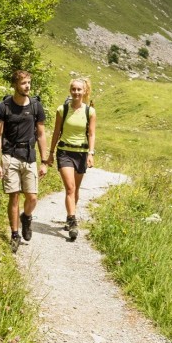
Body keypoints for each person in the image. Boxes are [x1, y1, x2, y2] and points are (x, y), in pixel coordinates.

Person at [0, 70, 48, 252]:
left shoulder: (35, 106)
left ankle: (27, 217)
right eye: (24, 83)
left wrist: (44, 161)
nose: (28, 86)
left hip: (29, 155)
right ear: (15, 84)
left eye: (29, 82)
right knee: (14, 195)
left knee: (32, 198)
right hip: (10, 155)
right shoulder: (4, 107)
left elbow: (41, 134)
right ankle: (14, 234)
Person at [47, 76, 96, 241]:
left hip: (81, 153)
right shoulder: (62, 110)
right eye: (73, 89)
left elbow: (91, 133)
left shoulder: (90, 111)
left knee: (76, 189)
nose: (76, 92)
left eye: (79, 89)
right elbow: (56, 132)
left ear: (84, 91)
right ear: (70, 90)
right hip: (65, 152)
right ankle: (72, 221)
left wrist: (91, 153)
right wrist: (51, 152)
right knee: (70, 188)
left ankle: (70, 215)